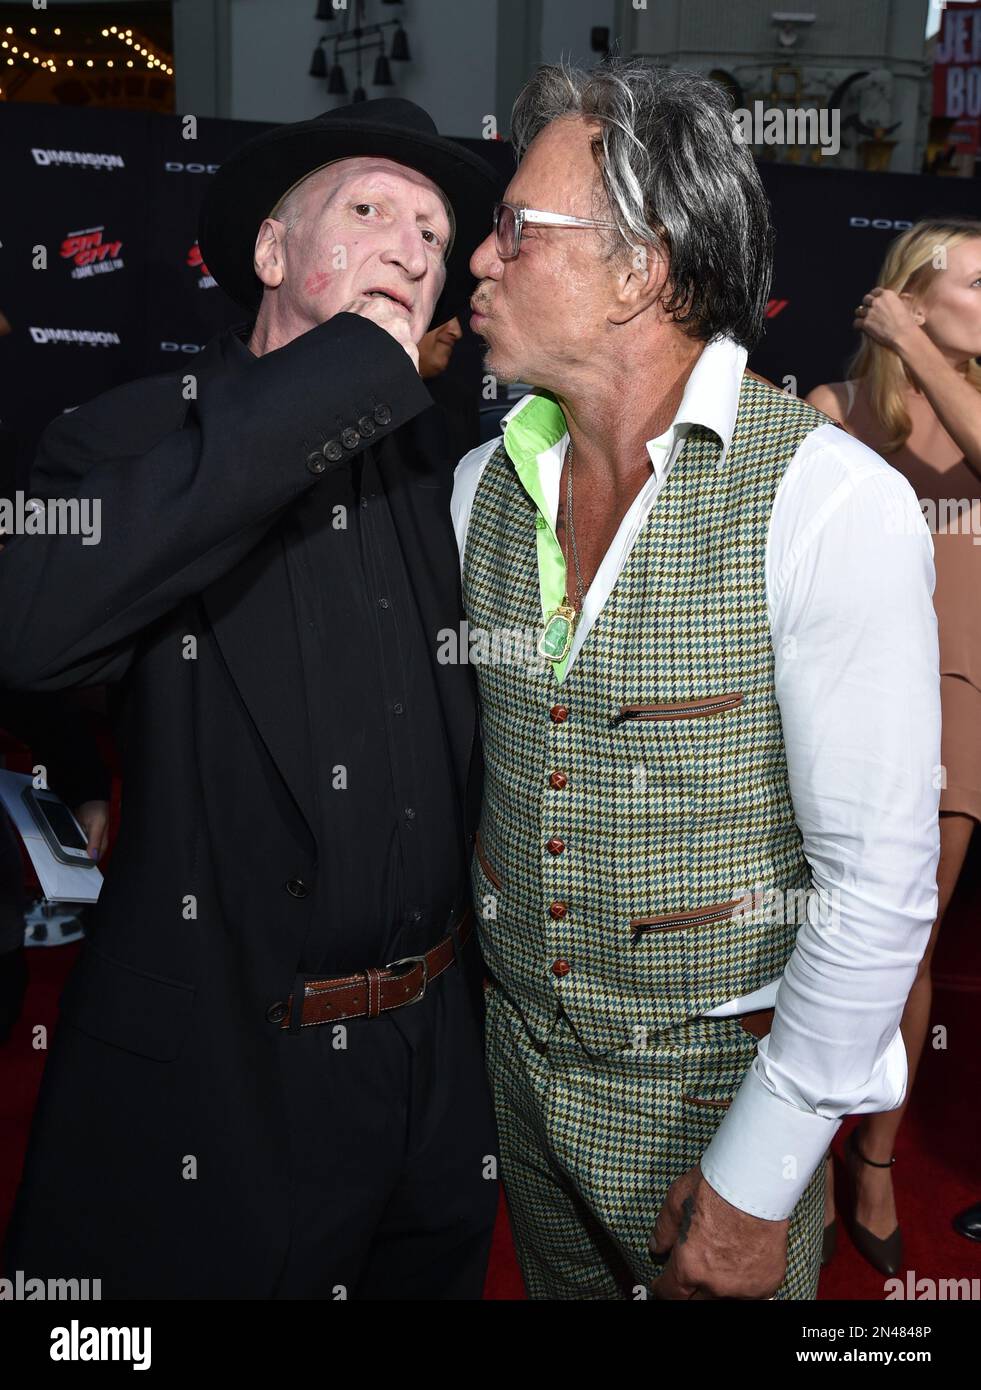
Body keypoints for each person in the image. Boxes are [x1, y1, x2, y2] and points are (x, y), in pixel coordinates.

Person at [451, 59, 941, 1300]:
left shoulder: (829, 502)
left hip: (718, 1111)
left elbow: (877, 888)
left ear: (640, 270)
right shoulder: (477, 490)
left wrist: (759, 1177)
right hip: (517, 1080)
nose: (478, 258)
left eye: (517, 229)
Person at [0, 98, 501, 1299]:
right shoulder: (122, 438)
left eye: (433, 235)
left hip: (436, 1072)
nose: (410, 248)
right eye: (371, 211)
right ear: (270, 255)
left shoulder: (456, 473)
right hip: (216, 1084)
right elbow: (31, 631)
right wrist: (341, 374)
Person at [806, 218, 981, 1275]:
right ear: (915, 292)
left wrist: (918, 348)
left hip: (960, 700)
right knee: (819, 939)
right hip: (848, 699)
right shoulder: (838, 413)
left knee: (908, 944)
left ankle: (873, 1157)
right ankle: (793, 1147)